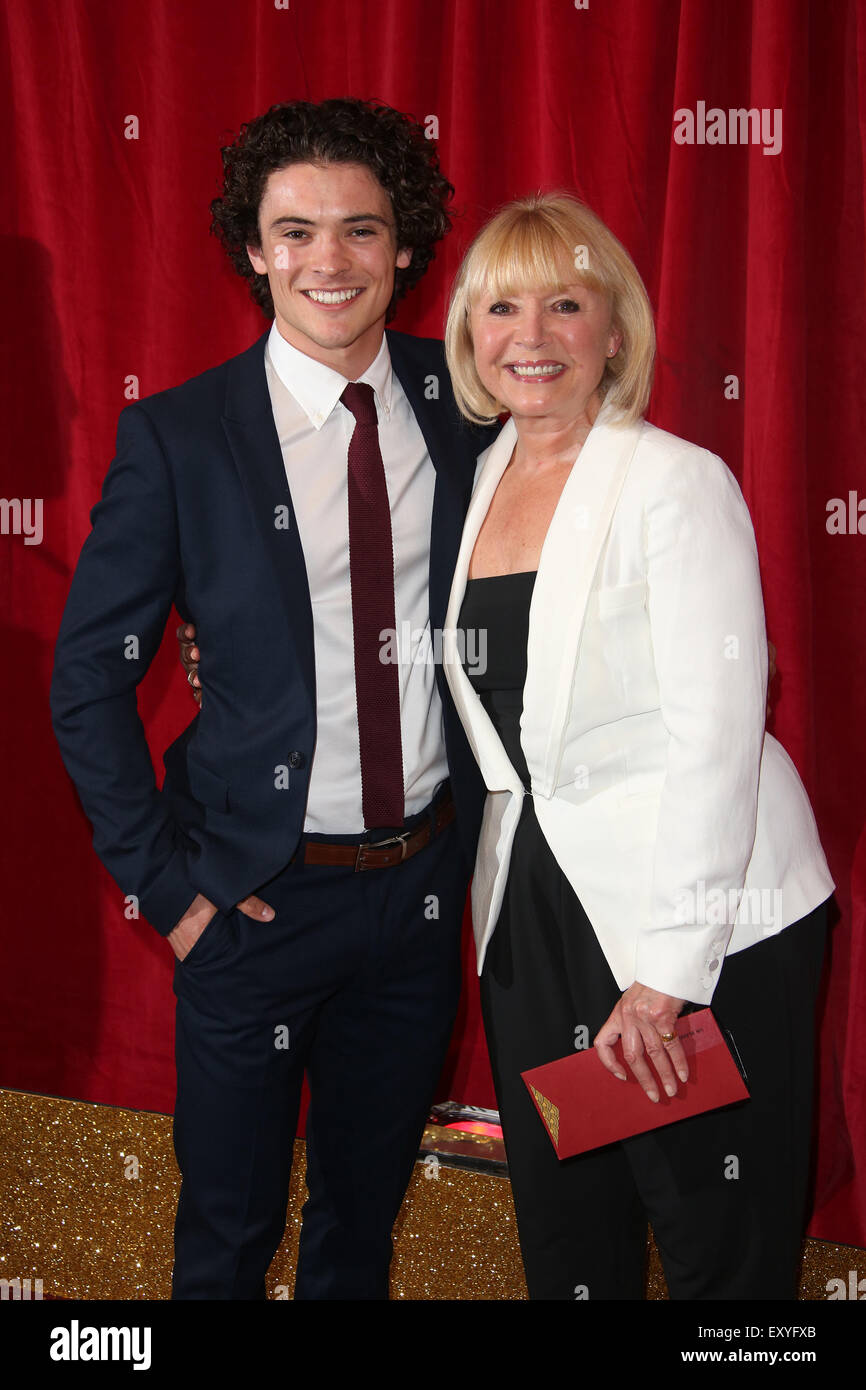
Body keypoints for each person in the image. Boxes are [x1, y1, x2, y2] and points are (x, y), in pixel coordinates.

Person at [49, 97, 494, 1301]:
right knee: (227, 1234)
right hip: (251, 900)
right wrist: (167, 890)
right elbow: (87, 675)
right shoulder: (180, 438)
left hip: (416, 893)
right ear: (253, 248)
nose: (327, 262)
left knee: (361, 1226)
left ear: (405, 245)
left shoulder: (469, 406)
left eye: (358, 229)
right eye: (293, 232)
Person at [438, 192, 835, 1300]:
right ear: (471, 332)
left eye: (564, 304)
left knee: (716, 1237)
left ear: (613, 331)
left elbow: (718, 734)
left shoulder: (674, 482)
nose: (531, 335)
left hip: (697, 922)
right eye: (502, 306)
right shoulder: (480, 480)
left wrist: (666, 978)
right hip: (535, 910)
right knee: (569, 1236)